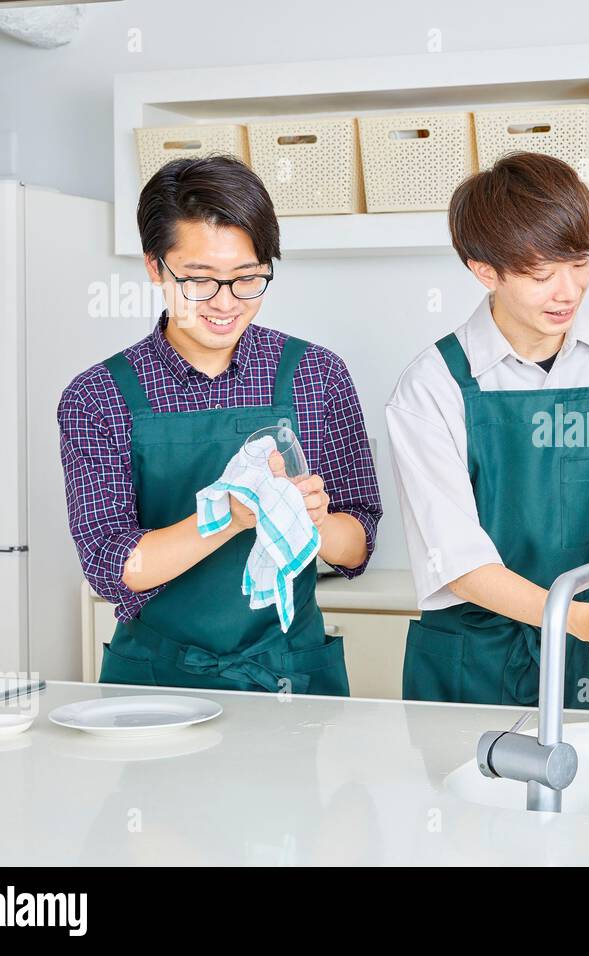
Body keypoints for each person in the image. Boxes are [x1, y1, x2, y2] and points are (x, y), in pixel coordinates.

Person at [386, 152, 589, 728]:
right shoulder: (431, 387)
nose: (568, 291)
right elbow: (459, 562)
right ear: (484, 270)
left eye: (579, 262)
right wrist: (576, 618)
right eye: (541, 274)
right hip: (471, 662)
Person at [59, 156, 381, 695]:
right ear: (156, 268)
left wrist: (313, 519)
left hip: (289, 671)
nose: (226, 303)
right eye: (200, 281)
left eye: (248, 279)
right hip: (157, 682)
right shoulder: (98, 396)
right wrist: (228, 518)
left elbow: (358, 546)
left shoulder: (316, 375)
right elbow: (116, 566)